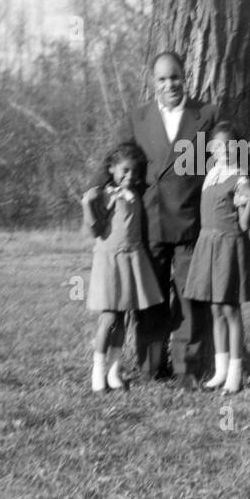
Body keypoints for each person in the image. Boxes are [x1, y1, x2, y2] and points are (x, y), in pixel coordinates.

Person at [84, 51, 217, 385]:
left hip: (191, 223)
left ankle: (189, 368)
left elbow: (233, 157)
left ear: (184, 77)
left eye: (175, 77)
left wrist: (247, 185)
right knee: (150, 299)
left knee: (192, 298)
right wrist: (93, 189)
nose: (170, 84)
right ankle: (152, 367)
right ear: (153, 82)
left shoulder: (207, 114)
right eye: (162, 79)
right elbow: (114, 160)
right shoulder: (136, 118)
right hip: (149, 224)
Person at [184, 121, 250, 393]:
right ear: (211, 149)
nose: (224, 150)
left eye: (229, 145)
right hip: (208, 244)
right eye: (218, 145)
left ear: (238, 148)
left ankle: (236, 374)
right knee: (215, 309)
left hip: (229, 245)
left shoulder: (240, 178)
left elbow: (244, 224)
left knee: (230, 309)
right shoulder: (211, 173)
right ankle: (221, 371)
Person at [82, 142, 164, 393]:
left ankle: (115, 371)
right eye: (124, 171)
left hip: (131, 258)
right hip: (109, 261)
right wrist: (87, 204)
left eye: (134, 172)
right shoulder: (105, 195)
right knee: (108, 318)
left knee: (123, 316)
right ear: (112, 169)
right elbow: (95, 229)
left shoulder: (135, 195)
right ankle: (98, 372)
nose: (129, 176)